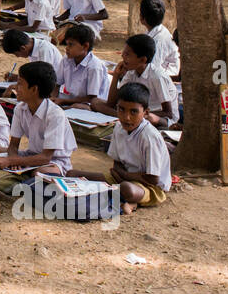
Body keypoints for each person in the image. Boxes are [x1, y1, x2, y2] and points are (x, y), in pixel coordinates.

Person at [69, 83, 172, 214]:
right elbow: (116, 163)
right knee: (73, 174)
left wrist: (125, 175)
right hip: (122, 178)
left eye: (133, 112)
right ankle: (125, 200)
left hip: (150, 188)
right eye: (121, 109)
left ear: (146, 113)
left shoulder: (149, 137)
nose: (126, 117)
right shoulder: (118, 128)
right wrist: (121, 174)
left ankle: (129, 200)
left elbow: (153, 179)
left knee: (127, 189)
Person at [0, 61, 76, 199]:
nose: (15, 88)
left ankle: (29, 185)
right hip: (30, 155)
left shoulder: (55, 115)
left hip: (55, 161)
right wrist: (13, 159)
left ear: (34, 89)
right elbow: (13, 145)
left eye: (20, 84)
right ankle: (26, 180)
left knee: (39, 173)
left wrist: (13, 162)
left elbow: (46, 157)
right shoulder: (20, 108)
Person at [92, 34, 178, 127]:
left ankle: (126, 117)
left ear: (142, 60)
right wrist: (116, 76)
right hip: (133, 111)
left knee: (150, 118)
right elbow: (111, 103)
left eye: (127, 54)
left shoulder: (157, 76)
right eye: (123, 53)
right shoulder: (131, 72)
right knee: (95, 102)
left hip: (157, 116)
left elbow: (168, 113)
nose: (122, 56)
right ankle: (126, 117)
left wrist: (139, 113)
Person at [55, 23, 110, 107]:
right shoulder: (66, 59)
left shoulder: (94, 67)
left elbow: (91, 98)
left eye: (71, 44)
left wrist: (63, 101)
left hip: (91, 104)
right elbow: (57, 85)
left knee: (77, 106)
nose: (67, 48)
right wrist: (52, 98)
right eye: (67, 44)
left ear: (85, 46)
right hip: (71, 99)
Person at [140, 0, 179, 78]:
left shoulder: (159, 40)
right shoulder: (153, 31)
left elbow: (151, 69)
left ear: (143, 18)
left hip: (165, 77)